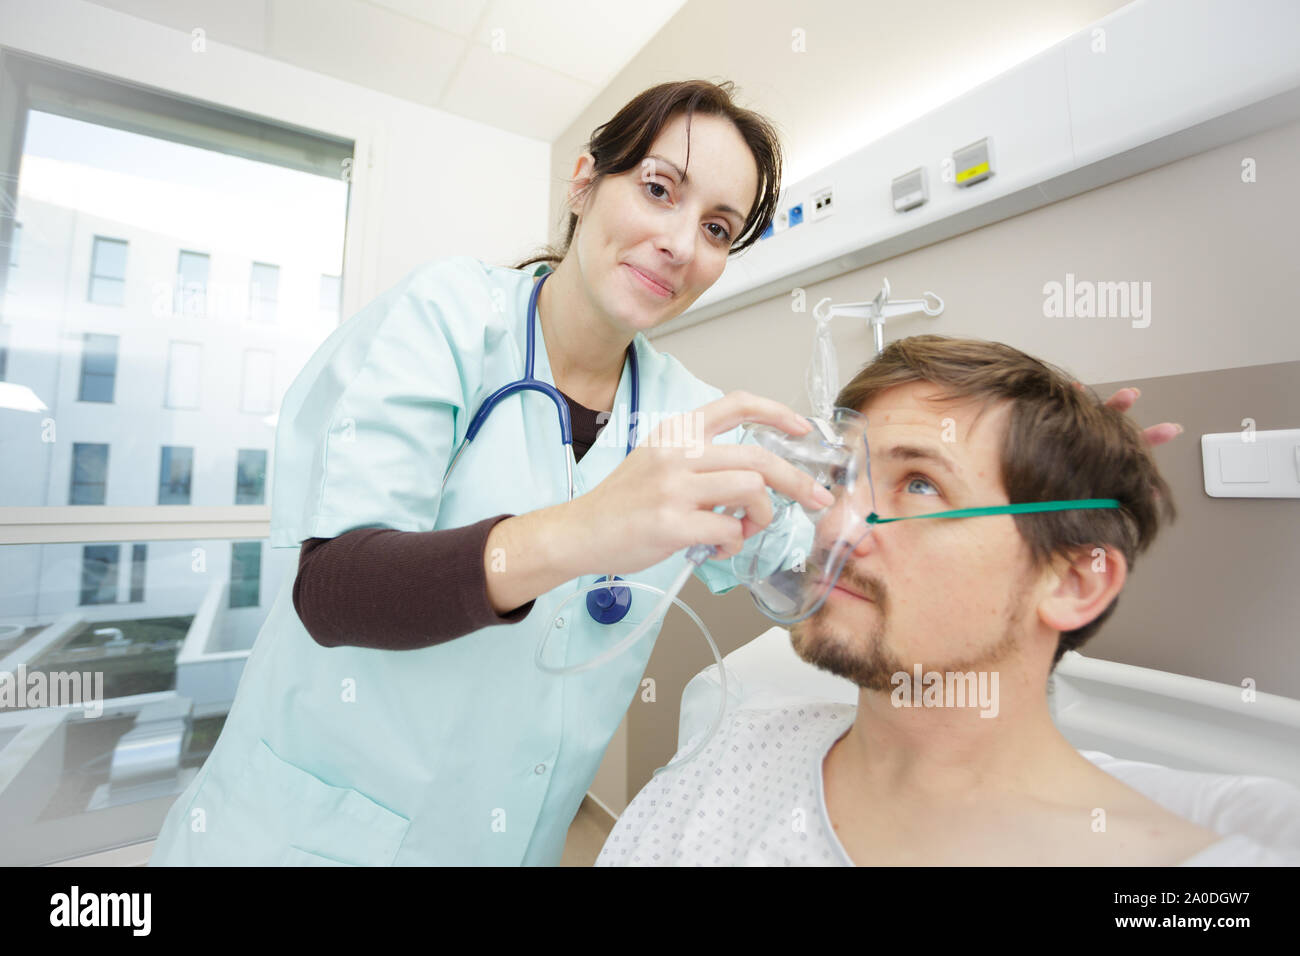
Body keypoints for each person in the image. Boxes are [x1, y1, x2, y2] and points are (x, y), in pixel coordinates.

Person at [149, 80, 1171, 866]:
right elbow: (336, 588)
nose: (681, 242)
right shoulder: (447, 321)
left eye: (719, 228)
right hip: (304, 827)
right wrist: (590, 527)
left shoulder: (690, 410)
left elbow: (813, 552)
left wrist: (1049, 486)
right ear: (587, 180)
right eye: (659, 189)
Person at [595, 336, 1298, 867]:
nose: (835, 527)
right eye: (844, 480)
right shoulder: (728, 753)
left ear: (1074, 581)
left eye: (922, 485)